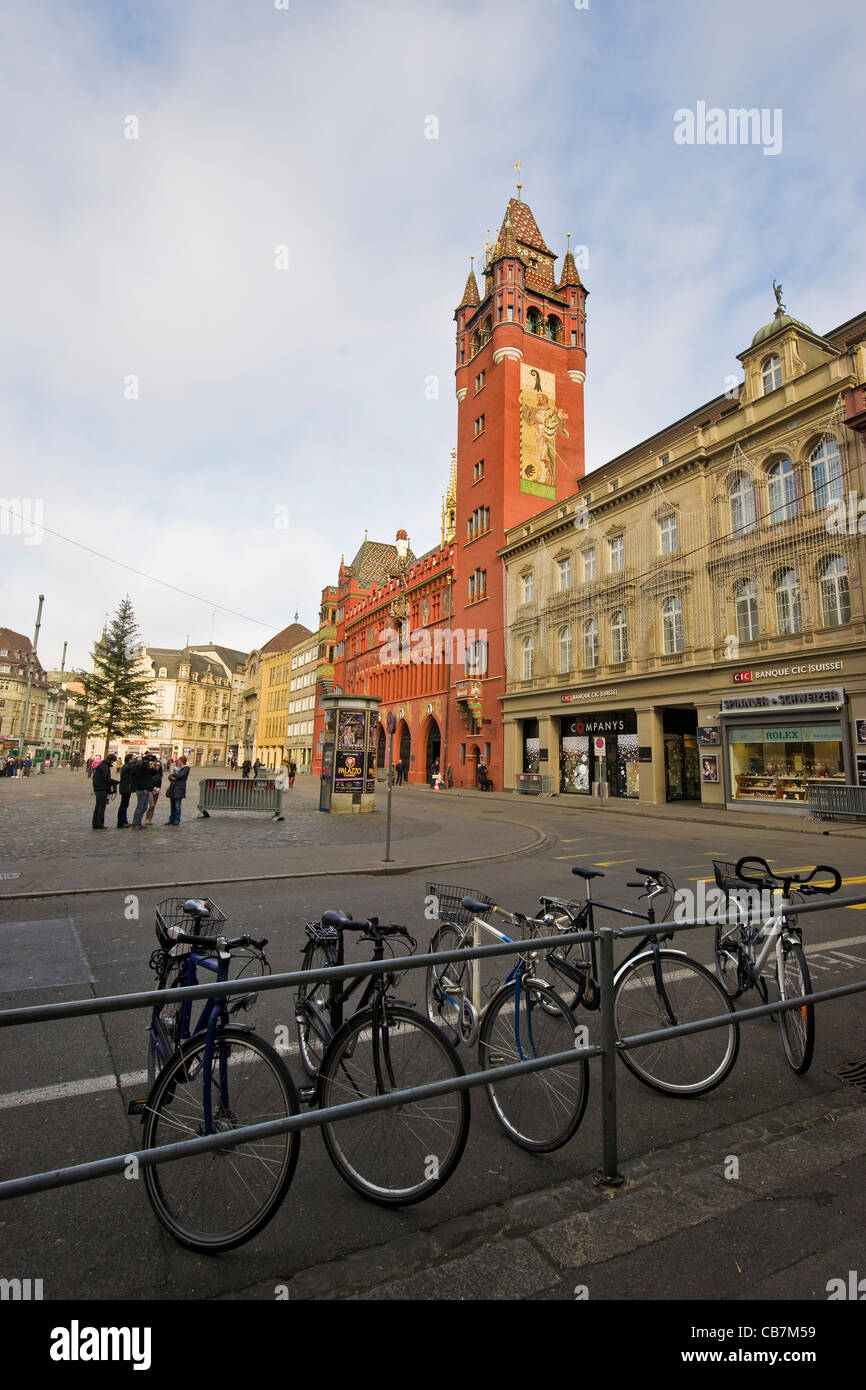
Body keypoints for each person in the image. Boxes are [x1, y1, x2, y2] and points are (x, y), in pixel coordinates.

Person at [91, 753, 118, 829]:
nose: (112, 763)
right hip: (101, 788)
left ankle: (95, 823)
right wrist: (115, 782)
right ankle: (99, 824)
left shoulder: (102, 765)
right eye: (112, 761)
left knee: (98, 806)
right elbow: (106, 778)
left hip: (98, 788)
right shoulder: (104, 767)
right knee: (101, 807)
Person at [131, 755, 154, 828]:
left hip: (146, 789)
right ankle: (136, 823)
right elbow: (136, 774)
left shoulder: (146, 769)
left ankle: (139, 822)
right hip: (141, 789)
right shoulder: (138, 769)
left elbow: (153, 772)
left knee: (144, 807)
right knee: (140, 807)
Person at [166, 755, 190, 824]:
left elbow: (180, 776)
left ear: (182, 761)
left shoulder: (186, 768)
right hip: (173, 788)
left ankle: (177, 820)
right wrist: (172, 776)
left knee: (177, 806)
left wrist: (174, 773)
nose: (177, 762)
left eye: (178, 761)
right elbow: (170, 777)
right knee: (172, 806)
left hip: (179, 789)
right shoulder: (177, 768)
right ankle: (171, 820)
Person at [116, 753, 136, 827]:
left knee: (125, 805)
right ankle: (121, 822)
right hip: (125, 788)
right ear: (129, 759)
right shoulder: (127, 767)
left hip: (126, 788)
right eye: (133, 759)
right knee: (123, 805)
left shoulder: (127, 766)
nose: (134, 760)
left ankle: (124, 820)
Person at [145, 757, 162, 824]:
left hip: (157, 790)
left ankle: (150, 819)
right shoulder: (150, 771)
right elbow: (148, 781)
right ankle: (146, 818)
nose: (158, 766)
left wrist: (158, 788)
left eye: (159, 765)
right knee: (151, 805)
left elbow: (160, 782)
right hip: (150, 789)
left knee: (154, 805)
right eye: (157, 765)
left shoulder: (160, 773)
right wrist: (153, 787)